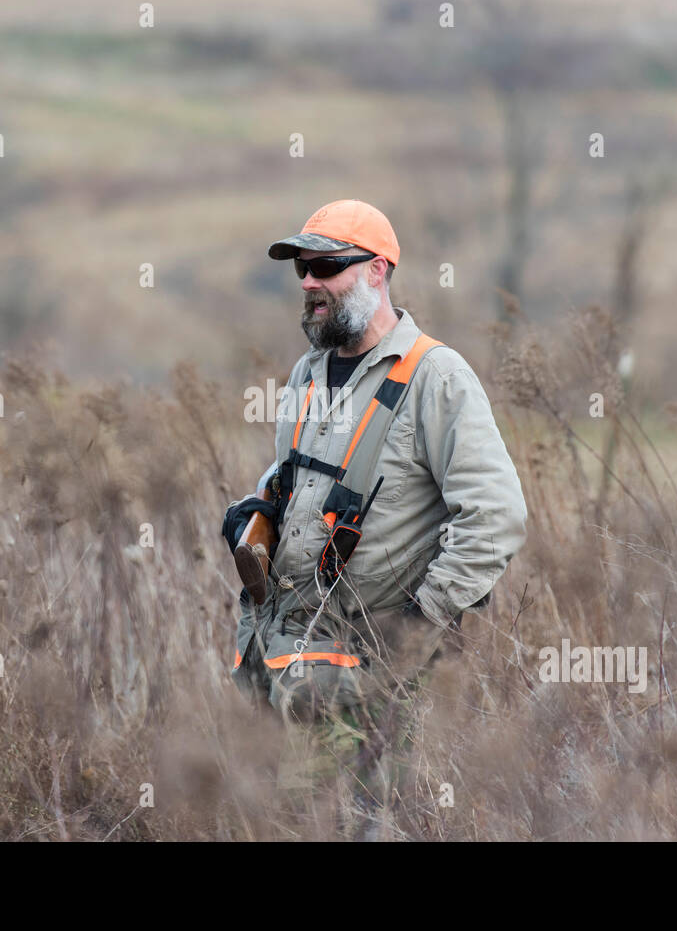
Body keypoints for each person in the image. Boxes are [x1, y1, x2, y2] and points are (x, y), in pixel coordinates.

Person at [223, 199, 528, 830]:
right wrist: (255, 511)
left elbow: (495, 517)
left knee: (354, 825)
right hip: (278, 658)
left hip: (370, 677)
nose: (309, 280)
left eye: (327, 265)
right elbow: (294, 481)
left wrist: (420, 624)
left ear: (377, 272)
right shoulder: (307, 373)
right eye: (302, 267)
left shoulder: (436, 377)